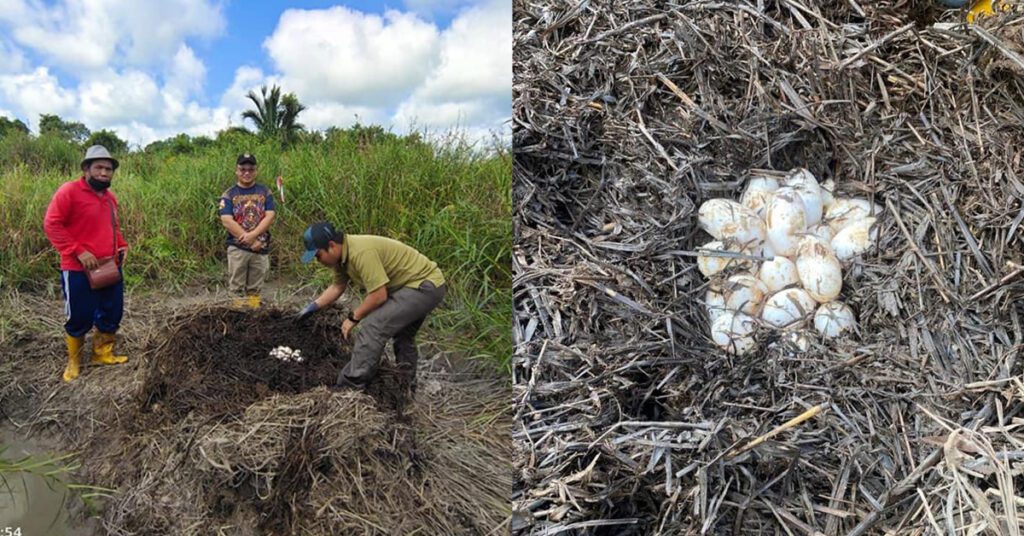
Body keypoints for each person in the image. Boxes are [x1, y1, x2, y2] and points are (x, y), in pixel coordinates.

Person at [296, 221, 446, 392]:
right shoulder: (342, 257)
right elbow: (337, 287)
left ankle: (349, 388)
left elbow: (378, 296)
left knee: (372, 327)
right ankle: (405, 386)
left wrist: (354, 317)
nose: (318, 261)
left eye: (318, 256)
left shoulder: (361, 252)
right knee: (403, 336)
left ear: (331, 245)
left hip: (423, 286)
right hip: (417, 286)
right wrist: (312, 307)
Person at [43, 145, 130, 383]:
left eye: (109, 169)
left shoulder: (110, 198)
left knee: (112, 311)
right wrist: (78, 251)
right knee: (79, 315)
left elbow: (113, 227)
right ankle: (75, 360)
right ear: (86, 169)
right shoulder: (69, 191)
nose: (104, 173)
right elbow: (52, 224)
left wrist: (121, 246)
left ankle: (102, 353)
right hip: (78, 268)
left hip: (109, 266)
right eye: (99, 168)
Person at [218, 153, 276, 309]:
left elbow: (270, 216)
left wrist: (253, 236)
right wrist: (250, 240)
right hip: (238, 248)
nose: (246, 172)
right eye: (242, 169)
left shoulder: (265, 192)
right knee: (236, 287)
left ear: (256, 171)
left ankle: (253, 315)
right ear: (236, 171)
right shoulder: (228, 195)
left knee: (255, 289)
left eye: (251, 169)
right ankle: (237, 315)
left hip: (260, 248)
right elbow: (227, 220)